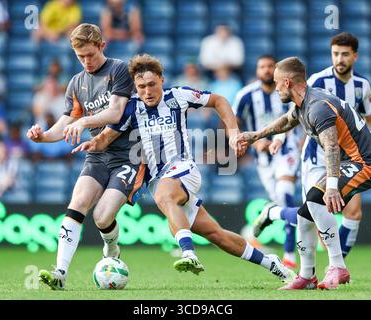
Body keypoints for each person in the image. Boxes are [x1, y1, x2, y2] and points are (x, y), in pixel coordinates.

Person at [71, 54, 296, 284]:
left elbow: (219, 100)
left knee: (164, 194)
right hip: (158, 178)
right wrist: (93, 143)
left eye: (152, 84)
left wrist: (233, 132)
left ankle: (188, 253)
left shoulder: (177, 95)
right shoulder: (131, 108)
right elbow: (107, 137)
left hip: (183, 168)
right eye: (141, 87)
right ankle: (271, 262)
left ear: (161, 79)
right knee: (217, 235)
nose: (147, 91)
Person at [237, 57, 371, 290]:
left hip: (364, 163)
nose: (274, 88)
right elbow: (286, 121)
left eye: (276, 83)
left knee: (316, 199)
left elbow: (332, 146)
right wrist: (255, 135)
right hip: (352, 162)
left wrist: (332, 186)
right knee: (306, 215)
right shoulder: (305, 103)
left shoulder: (317, 107)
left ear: (287, 82)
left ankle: (338, 266)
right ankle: (307, 277)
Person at [253, 32, 371, 261]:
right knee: (312, 215)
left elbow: (370, 119)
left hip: (348, 158)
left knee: (353, 212)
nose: (339, 59)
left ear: (355, 56)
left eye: (345, 54)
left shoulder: (362, 86)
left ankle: (336, 266)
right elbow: (294, 113)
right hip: (316, 156)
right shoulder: (317, 81)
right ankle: (276, 215)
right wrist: (279, 138)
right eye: (335, 54)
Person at [26, 23, 138, 290]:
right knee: (77, 202)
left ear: (102, 46)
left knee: (101, 217)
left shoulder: (119, 69)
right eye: (80, 57)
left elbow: (116, 112)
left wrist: (84, 122)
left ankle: (112, 249)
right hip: (98, 154)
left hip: (129, 154)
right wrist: (43, 136)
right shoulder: (76, 82)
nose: (86, 61)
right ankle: (60, 273)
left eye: (91, 54)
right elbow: (67, 121)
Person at [232, 55, 301, 269]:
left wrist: (302, 141)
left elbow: (302, 116)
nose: (267, 70)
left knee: (286, 196)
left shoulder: (288, 92)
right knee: (281, 203)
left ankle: (290, 255)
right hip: (262, 158)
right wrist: (253, 144)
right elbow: (232, 124)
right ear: (257, 70)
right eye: (262, 66)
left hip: (287, 151)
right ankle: (269, 211)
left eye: (271, 66)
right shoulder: (246, 95)